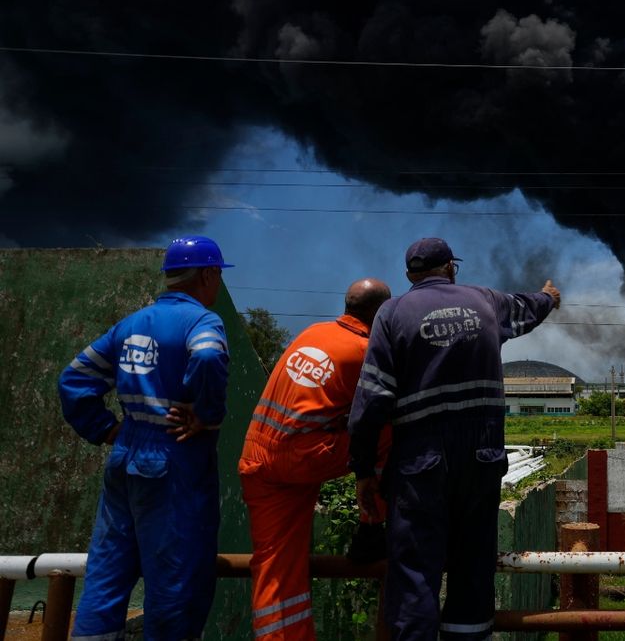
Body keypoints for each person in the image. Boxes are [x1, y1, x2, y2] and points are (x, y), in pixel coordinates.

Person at [348, 237, 560, 641]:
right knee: (472, 563)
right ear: (451, 268)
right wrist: (549, 297)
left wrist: (362, 468)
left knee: (414, 568)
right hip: (482, 455)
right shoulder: (486, 301)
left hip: (420, 460)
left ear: (410, 276)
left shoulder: (392, 314)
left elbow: (372, 399)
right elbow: (528, 307)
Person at [58, 236, 233, 640]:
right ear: (209, 275)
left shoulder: (132, 323)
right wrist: (206, 416)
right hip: (174, 458)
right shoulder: (202, 322)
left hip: (124, 455)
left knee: (108, 572)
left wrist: (107, 428)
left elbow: (74, 379)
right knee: (176, 580)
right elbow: (207, 355)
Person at [239, 277, 393, 640]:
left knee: (275, 565)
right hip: (301, 456)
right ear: (381, 312)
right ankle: (373, 527)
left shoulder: (313, 332)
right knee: (390, 430)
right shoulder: (365, 350)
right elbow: (373, 417)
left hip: (258, 457)